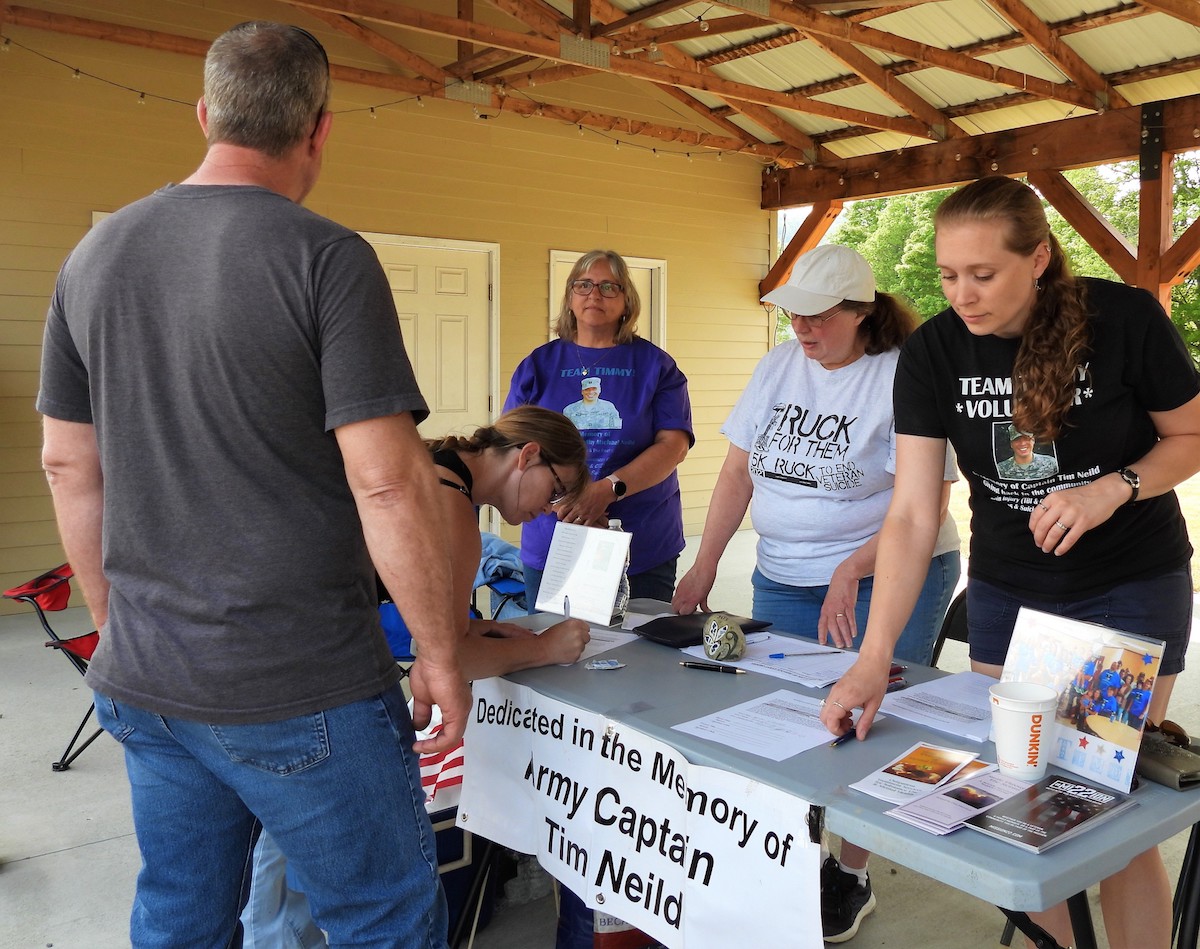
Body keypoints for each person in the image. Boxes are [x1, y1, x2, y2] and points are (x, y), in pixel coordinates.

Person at [37, 21, 471, 949]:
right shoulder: (326, 257)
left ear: (205, 115)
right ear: (319, 129)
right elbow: (389, 485)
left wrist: (115, 621)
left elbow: (68, 465)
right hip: (300, 682)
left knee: (180, 918)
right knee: (384, 921)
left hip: (147, 676)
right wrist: (440, 649)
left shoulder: (93, 257)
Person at [821, 175, 1200, 949]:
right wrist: (874, 652)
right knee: (1021, 798)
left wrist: (1113, 488)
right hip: (1010, 592)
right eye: (949, 273)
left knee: (1111, 800)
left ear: (1038, 259)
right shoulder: (933, 349)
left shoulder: (1122, 319)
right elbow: (913, 512)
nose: (962, 294)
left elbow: (1191, 435)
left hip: (1130, 584)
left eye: (983, 274)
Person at [671, 244, 961, 943]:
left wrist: (853, 567)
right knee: (781, 713)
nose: (801, 328)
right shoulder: (778, 366)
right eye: (792, 313)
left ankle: (851, 871)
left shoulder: (901, 375)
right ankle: (790, 854)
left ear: (862, 314)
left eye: (818, 316)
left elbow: (920, 500)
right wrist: (705, 563)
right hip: (781, 572)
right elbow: (737, 474)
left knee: (869, 721)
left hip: (886, 577)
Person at [242, 406, 594, 947]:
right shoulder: (450, 505)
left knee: (278, 857)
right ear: (527, 457)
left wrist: (491, 639)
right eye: (556, 490)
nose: (549, 510)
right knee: (320, 875)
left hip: (270, 661)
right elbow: (445, 657)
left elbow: (440, 630)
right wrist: (546, 649)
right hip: (311, 684)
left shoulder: (436, 467)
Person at [505, 250, 693, 606]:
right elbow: (511, 448)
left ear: (626, 301)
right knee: (554, 651)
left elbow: (674, 446)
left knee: (640, 654)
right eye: (584, 285)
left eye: (609, 286)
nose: (595, 294)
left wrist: (606, 491)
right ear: (570, 298)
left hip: (642, 543)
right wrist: (566, 503)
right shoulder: (538, 365)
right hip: (554, 537)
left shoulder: (656, 366)